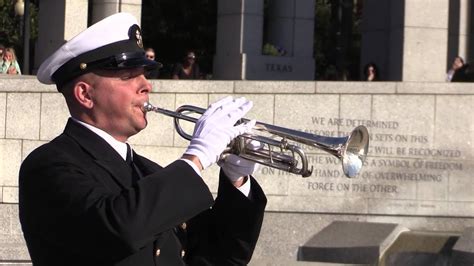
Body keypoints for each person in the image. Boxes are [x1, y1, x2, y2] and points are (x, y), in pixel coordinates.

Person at [19, 13, 267, 266]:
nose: (147, 85)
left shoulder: (148, 171)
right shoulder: (49, 166)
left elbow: (221, 256)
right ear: (85, 94)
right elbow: (117, 228)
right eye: (128, 75)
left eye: (145, 74)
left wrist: (237, 182)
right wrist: (197, 158)